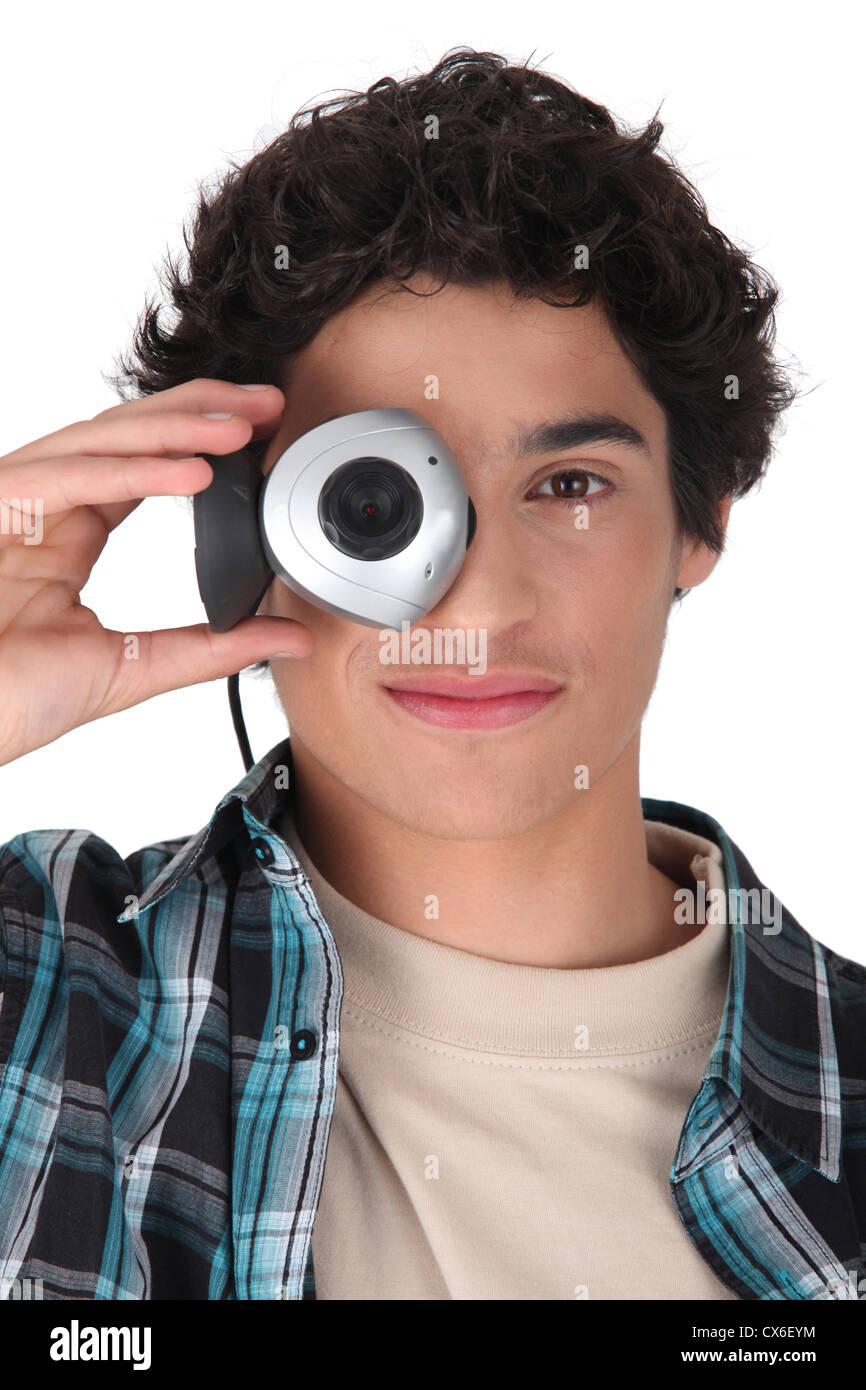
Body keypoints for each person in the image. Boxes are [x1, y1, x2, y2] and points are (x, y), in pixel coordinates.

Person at [0, 47, 863, 1303]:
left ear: (701, 524)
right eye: (374, 502)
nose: (479, 602)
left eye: (568, 486)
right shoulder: (40, 994)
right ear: (236, 533)